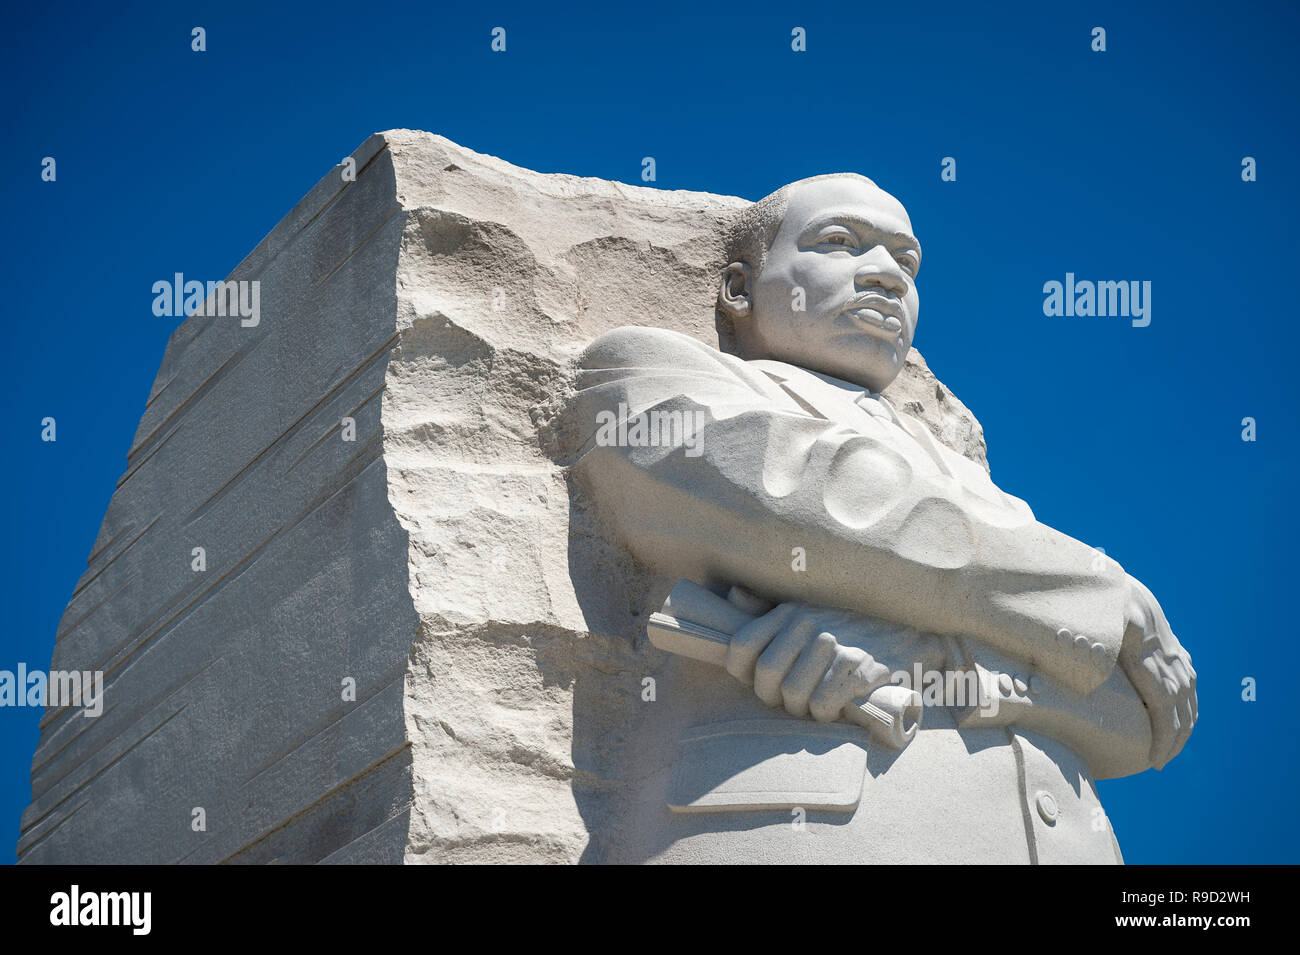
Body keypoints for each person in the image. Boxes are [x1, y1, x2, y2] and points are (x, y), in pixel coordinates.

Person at [566, 173, 1196, 863]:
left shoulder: (984, 494)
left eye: (906, 262)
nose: (887, 276)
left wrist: (931, 659)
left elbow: (1147, 720)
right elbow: (816, 504)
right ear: (739, 289)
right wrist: (1103, 592)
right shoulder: (648, 372)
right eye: (840, 242)